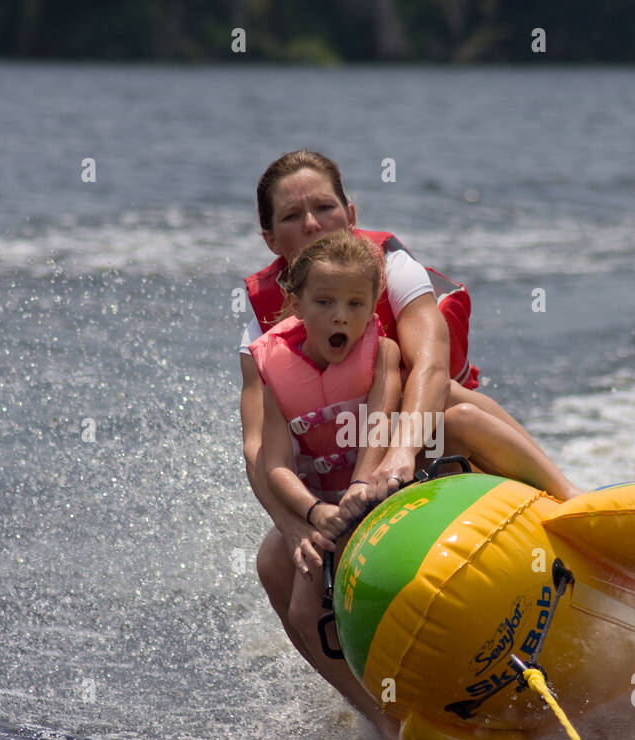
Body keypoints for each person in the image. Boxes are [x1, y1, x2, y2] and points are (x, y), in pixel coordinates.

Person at [239, 149, 563, 681]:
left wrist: (399, 455)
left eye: (324, 207)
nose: (313, 224)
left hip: (429, 444)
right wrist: (293, 524)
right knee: (274, 560)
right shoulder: (261, 328)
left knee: (455, 403)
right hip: (341, 484)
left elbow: (431, 363)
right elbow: (257, 447)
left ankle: (572, 509)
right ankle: (384, 722)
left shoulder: (391, 266)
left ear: (350, 212)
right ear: (272, 241)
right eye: (292, 217)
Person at [249, 230, 579, 740]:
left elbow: (380, 423)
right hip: (327, 508)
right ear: (296, 304)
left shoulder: (379, 352)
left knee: (461, 413)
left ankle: (572, 505)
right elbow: (272, 463)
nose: (341, 317)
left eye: (356, 304)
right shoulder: (271, 367)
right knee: (300, 609)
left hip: (382, 478)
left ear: (372, 307)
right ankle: (383, 718)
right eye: (326, 303)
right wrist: (312, 514)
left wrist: (366, 483)